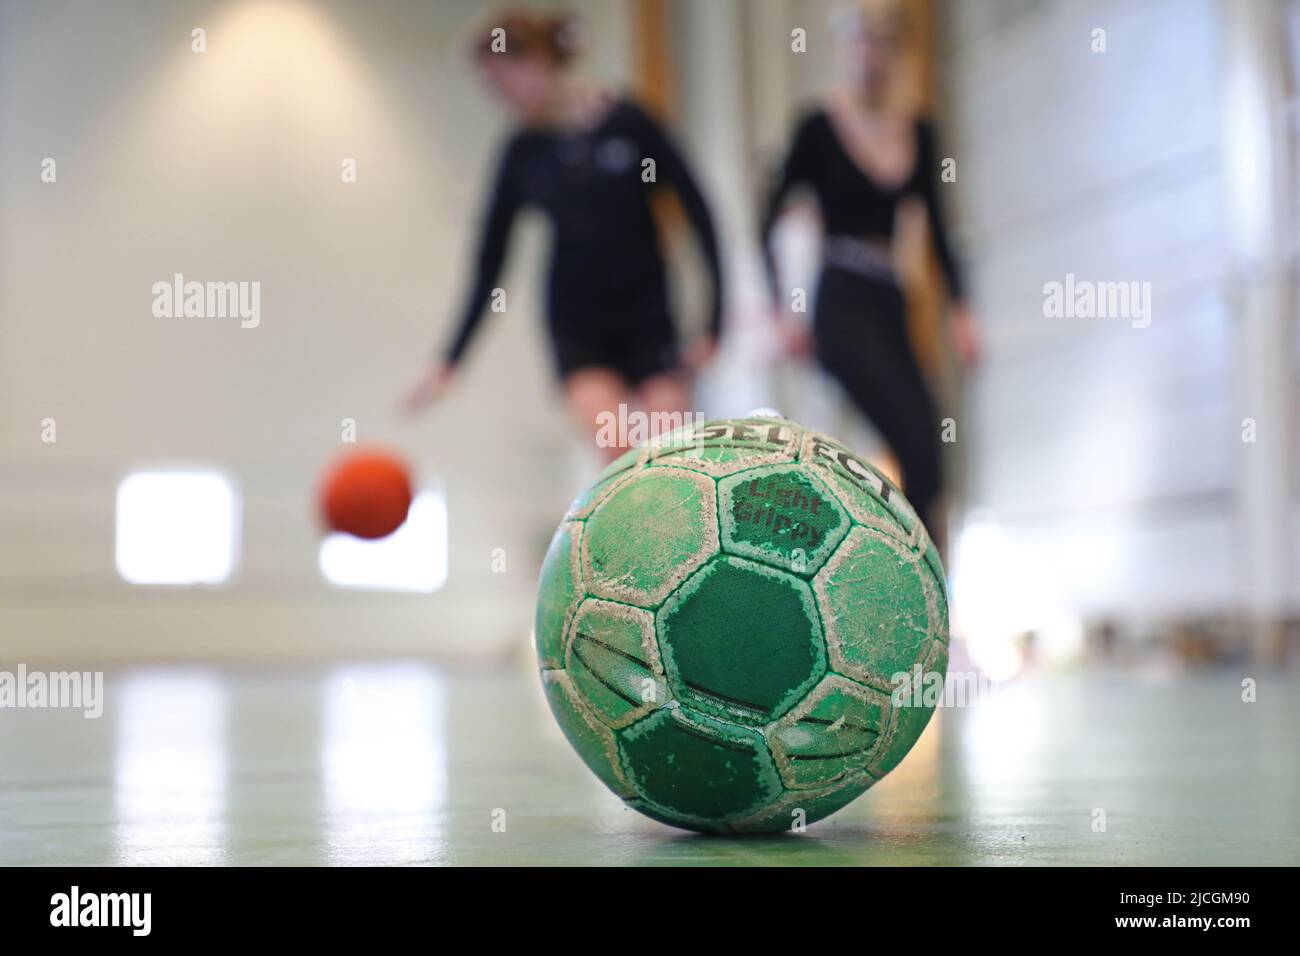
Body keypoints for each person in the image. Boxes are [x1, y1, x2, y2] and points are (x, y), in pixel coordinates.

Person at [402, 10, 723, 461]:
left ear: (536, 60)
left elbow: (699, 209)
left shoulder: (629, 124)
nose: (499, 99)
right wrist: (449, 361)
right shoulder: (522, 152)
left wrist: (715, 321)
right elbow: (489, 263)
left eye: (501, 83)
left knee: (671, 454)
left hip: (648, 318)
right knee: (621, 450)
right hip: (577, 326)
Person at [760, 0, 978, 541]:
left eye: (883, 42)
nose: (870, 54)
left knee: (928, 452)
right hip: (839, 301)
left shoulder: (918, 133)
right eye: (860, 40)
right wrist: (782, 311)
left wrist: (961, 309)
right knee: (894, 432)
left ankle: (928, 588)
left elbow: (942, 228)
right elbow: (766, 216)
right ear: (844, 47)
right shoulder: (818, 127)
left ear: (897, 52)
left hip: (891, 299)